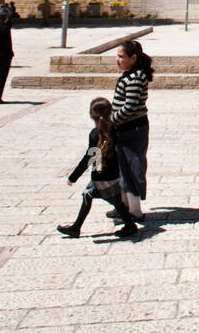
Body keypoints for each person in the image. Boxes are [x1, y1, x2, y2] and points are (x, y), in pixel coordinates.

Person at [58, 97, 139, 239]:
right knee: (98, 198)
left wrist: (73, 177)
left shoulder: (95, 134)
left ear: (91, 116)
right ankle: (76, 228)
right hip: (113, 174)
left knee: (104, 199)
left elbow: (89, 159)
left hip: (101, 177)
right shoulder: (115, 130)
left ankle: (129, 226)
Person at [111, 39, 153, 223]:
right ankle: (123, 206)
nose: (118, 60)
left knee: (131, 168)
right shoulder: (131, 74)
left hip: (132, 129)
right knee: (122, 168)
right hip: (125, 128)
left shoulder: (135, 77)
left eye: (121, 57)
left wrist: (111, 120)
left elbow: (130, 106)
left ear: (133, 57)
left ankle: (135, 212)